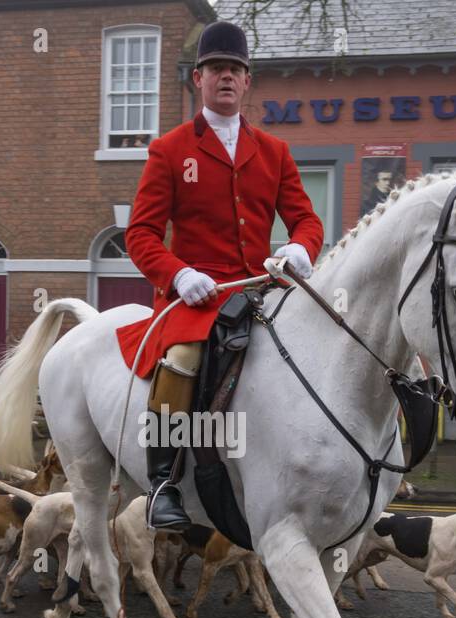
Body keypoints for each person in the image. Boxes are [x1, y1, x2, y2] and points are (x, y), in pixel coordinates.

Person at [117, 20, 324, 530]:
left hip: (258, 291)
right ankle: (164, 482)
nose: (226, 77)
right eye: (216, 70)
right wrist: (179, 274)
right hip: (195, 298)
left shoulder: (275, 152)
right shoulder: (170, 150)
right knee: (184, 359)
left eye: (235, 70)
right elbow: (140, 235)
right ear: (199, 81)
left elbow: (306, 219)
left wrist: (299, 247)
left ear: (247, 81)